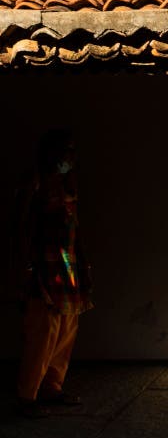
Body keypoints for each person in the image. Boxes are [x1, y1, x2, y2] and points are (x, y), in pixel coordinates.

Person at [15, 128, 93, 418]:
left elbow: (75, 226)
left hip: (67, 265)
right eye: (65, 150)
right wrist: (25, 266)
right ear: (50, 152)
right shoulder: (34, 183)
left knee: (66, 328)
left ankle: (52, 386)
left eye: (72, 151)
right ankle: (27, 395)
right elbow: (20, 226)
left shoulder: (68, 184)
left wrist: (83, 264)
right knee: (43, 330)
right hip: (42, 265)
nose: (70, 156)